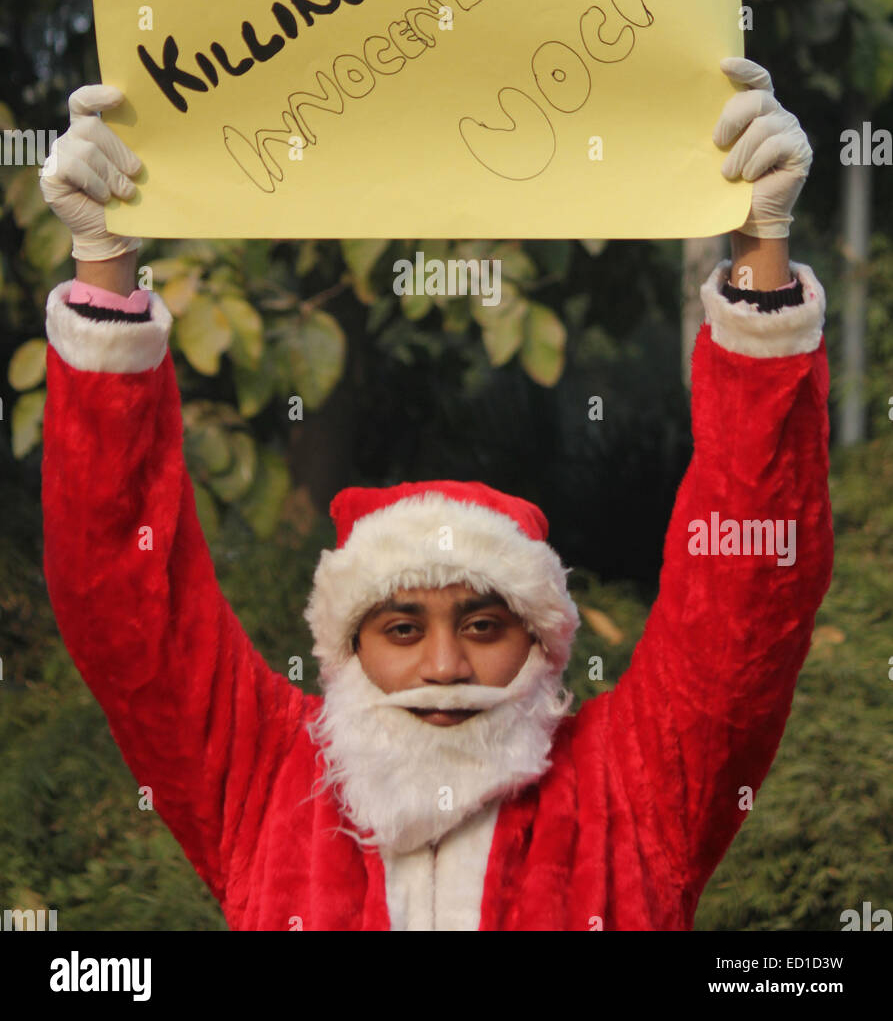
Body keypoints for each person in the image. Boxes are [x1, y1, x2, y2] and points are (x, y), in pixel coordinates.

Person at [38, 56, 833, 931]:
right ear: (346, 650)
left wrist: (761, 244)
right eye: (402, 628)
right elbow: (124, 596)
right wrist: (104, 259)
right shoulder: (268, 776)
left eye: (484, 626)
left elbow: (750, 590)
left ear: (540, 641)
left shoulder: (634, 783)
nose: (445, 668)